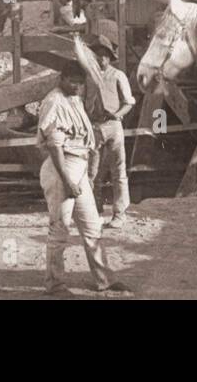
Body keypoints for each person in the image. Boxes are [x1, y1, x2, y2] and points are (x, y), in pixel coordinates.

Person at [37, 62, 129, 294]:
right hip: (62, 168)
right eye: (72, 81)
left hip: (78, 165)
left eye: (80, 82)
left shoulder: (75, 99)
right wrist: (68, 181)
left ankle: (104, 279)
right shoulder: (54, 101)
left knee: (91, 227)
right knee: (59, 230)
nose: (77, 86)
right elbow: (55, 147)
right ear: (62, 78)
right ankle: (54, 284)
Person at [82, 35, 134, 229]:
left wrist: (118, 115)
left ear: (110, 58)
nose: (101, 59)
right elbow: (81, 101)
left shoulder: (118, 75)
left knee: (118, 172)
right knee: (91, 173)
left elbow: (129, 102)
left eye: (104, 56)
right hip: (94, 128)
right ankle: (94, 213)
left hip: (113, 127)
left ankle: (119, 214)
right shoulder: (88, 76)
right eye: (98, 56)